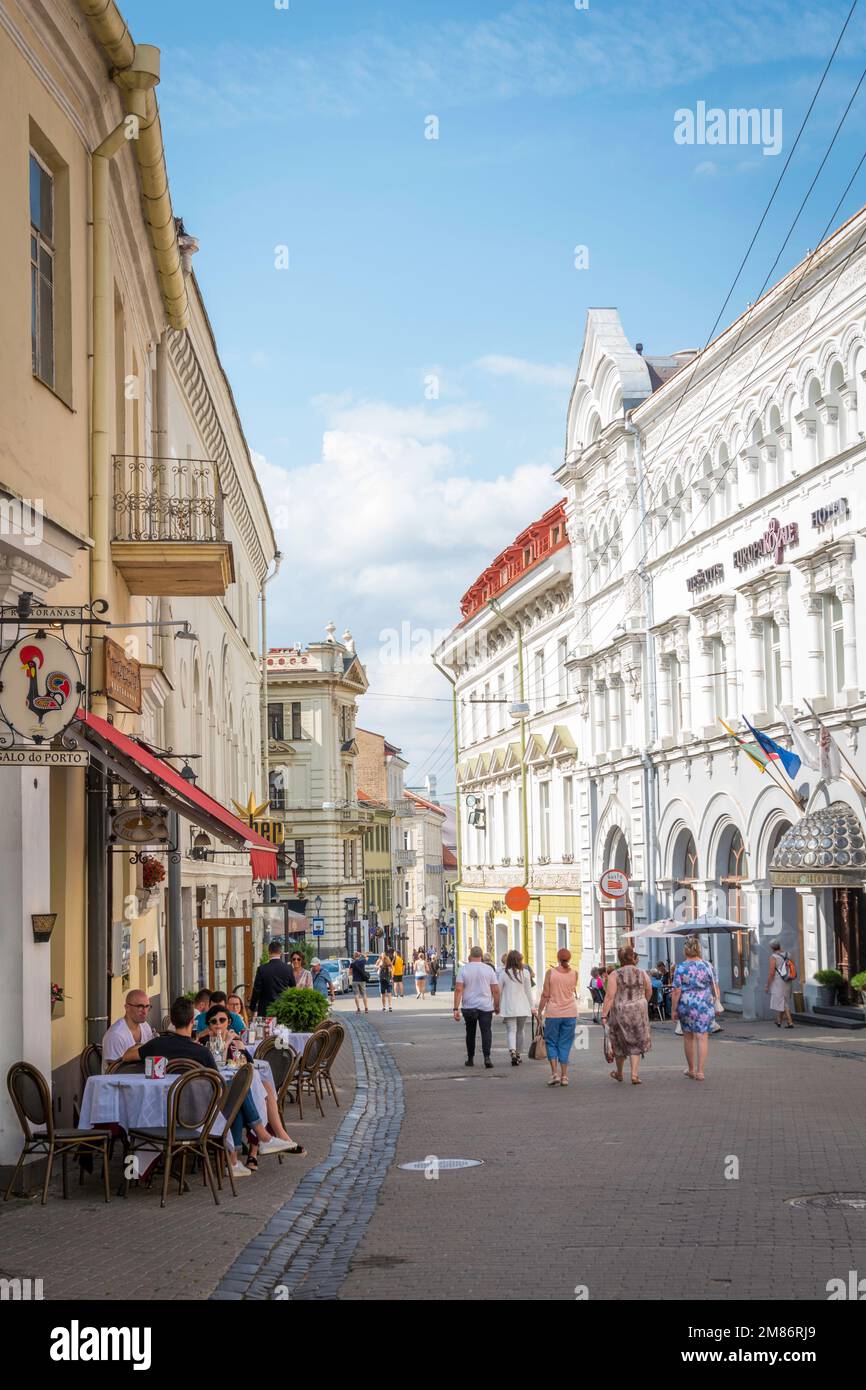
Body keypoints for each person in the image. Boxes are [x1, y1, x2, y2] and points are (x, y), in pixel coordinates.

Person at [202, 1005, 304, 1161]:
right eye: (213, 1021)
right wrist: (227, 1043)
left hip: (235, 1088)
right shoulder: (206, 1042)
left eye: (222, 1020)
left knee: (266, 1088)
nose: (218, 1024)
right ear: (209, 1024)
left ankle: (272, 1140)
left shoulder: (235, 1039)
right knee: (251, 1093)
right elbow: (218, 1066)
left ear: (228, 1022)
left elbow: (249, 1066)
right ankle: (260, 1146)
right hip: (217, 1092)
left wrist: (241, 1048)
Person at [671, 936, 720, 1081]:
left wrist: (674, 1009)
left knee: (688, 1036)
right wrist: (717, 1002)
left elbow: (676, 991)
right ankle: (700, 1071)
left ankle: (691, 1069)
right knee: (702, 1037)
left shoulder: (680, 967)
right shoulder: (708, 966)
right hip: (705, 1003)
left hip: (686, 1004)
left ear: (685, 950)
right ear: (699, 949)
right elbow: (715, 986)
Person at [602, 945, 653, 1084]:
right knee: (636, 1042)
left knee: (619, 1043)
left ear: (619, 958)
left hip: (620, 1012)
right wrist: (643, 1002)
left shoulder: (615, 974)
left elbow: (610, 995)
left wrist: (604, 1015)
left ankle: (619, 1073)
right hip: (639, 1011)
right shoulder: (642, 973)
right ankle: (634, 1075)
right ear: (632, 957)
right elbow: (649, 990)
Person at [538, 949, 579, 1087]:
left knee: (551, 1042)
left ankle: (554, 1073)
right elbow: (571, 989)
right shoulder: (575, 974)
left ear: (557, 958)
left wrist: (539, 1012)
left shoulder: (551, 973)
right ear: (569, 958)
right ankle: (565, 1076)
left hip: (553, 1013)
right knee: (565, 1044)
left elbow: (545, 994)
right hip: (570, 1013)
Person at [454, 946, 500, 1067]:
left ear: (470, 955)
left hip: (469, 1006)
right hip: (485, 1006)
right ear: (481, 956)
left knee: (470, 1033)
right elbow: (495, 990)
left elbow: (458, 989)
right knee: (486, 1032)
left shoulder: (463, 969)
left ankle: (470, 1059)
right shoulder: (489, 969)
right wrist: (496, 1005)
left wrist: (455, 1009)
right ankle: (487, 1058)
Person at [496, 950, 536, 1065]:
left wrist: (497, 1005)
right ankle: (518, 1054)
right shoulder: (525, 973)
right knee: (520, 1030)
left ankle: (512, 1051)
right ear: (519, 960)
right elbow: (528, 992)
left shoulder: (504, 974)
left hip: (509, 1006)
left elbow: (499, 991)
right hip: (523, 1006)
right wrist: (532, 1007)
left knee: (511, 1030)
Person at [102, 990, 156, 1070]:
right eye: (140, 1007)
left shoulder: (145, 1026)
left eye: (147, 1006)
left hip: (141, 1077)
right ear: (127, 1007)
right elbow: (114, 1071)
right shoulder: (116, 1035)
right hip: (118, 1080)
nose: (144, 1011)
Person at [249, 940, 296, 1017]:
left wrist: (252, 1008)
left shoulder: (262, 969)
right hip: (282, 1007)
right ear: (280, 952)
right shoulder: (288, 968)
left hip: (265, 1008)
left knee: (266, 1028)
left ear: (269, 952)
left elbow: (256, 990)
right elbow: (293, 987)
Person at [766, 939, 795, 1028]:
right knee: (783, 1000)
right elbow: (791, 966)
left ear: (771, 948)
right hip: (788, 979)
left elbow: (771, 973)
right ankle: (779, 1021)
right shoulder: (788, 954)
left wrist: (767, 985)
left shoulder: (773, 957)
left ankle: (790, 1022)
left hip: (779, 981)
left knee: (782, 1001)